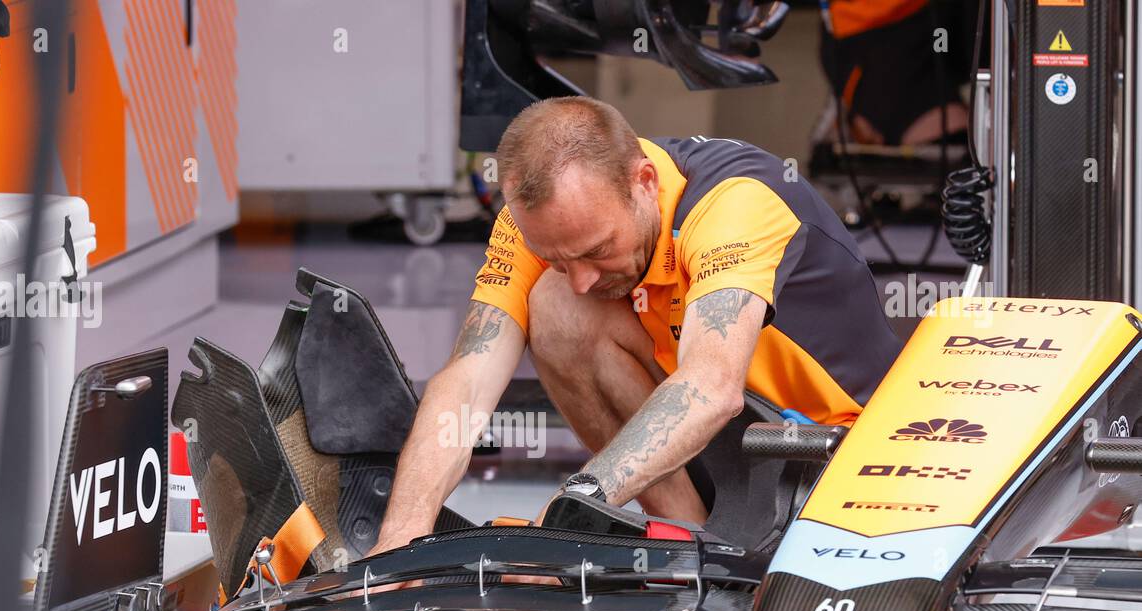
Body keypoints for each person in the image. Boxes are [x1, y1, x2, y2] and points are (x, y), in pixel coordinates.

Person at [370, 96, 901, 556]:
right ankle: (685, 539)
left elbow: (711, 387)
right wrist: (400, 534)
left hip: (826, 456)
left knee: (574, 308)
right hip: (716, 450)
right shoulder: (543, 220)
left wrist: (573, 511)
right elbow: (466, 377)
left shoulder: (737, 202)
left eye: (597, 251)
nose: (581, 278)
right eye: (558, 257)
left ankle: (686, 544)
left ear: (644, 181)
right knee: (556, 306)